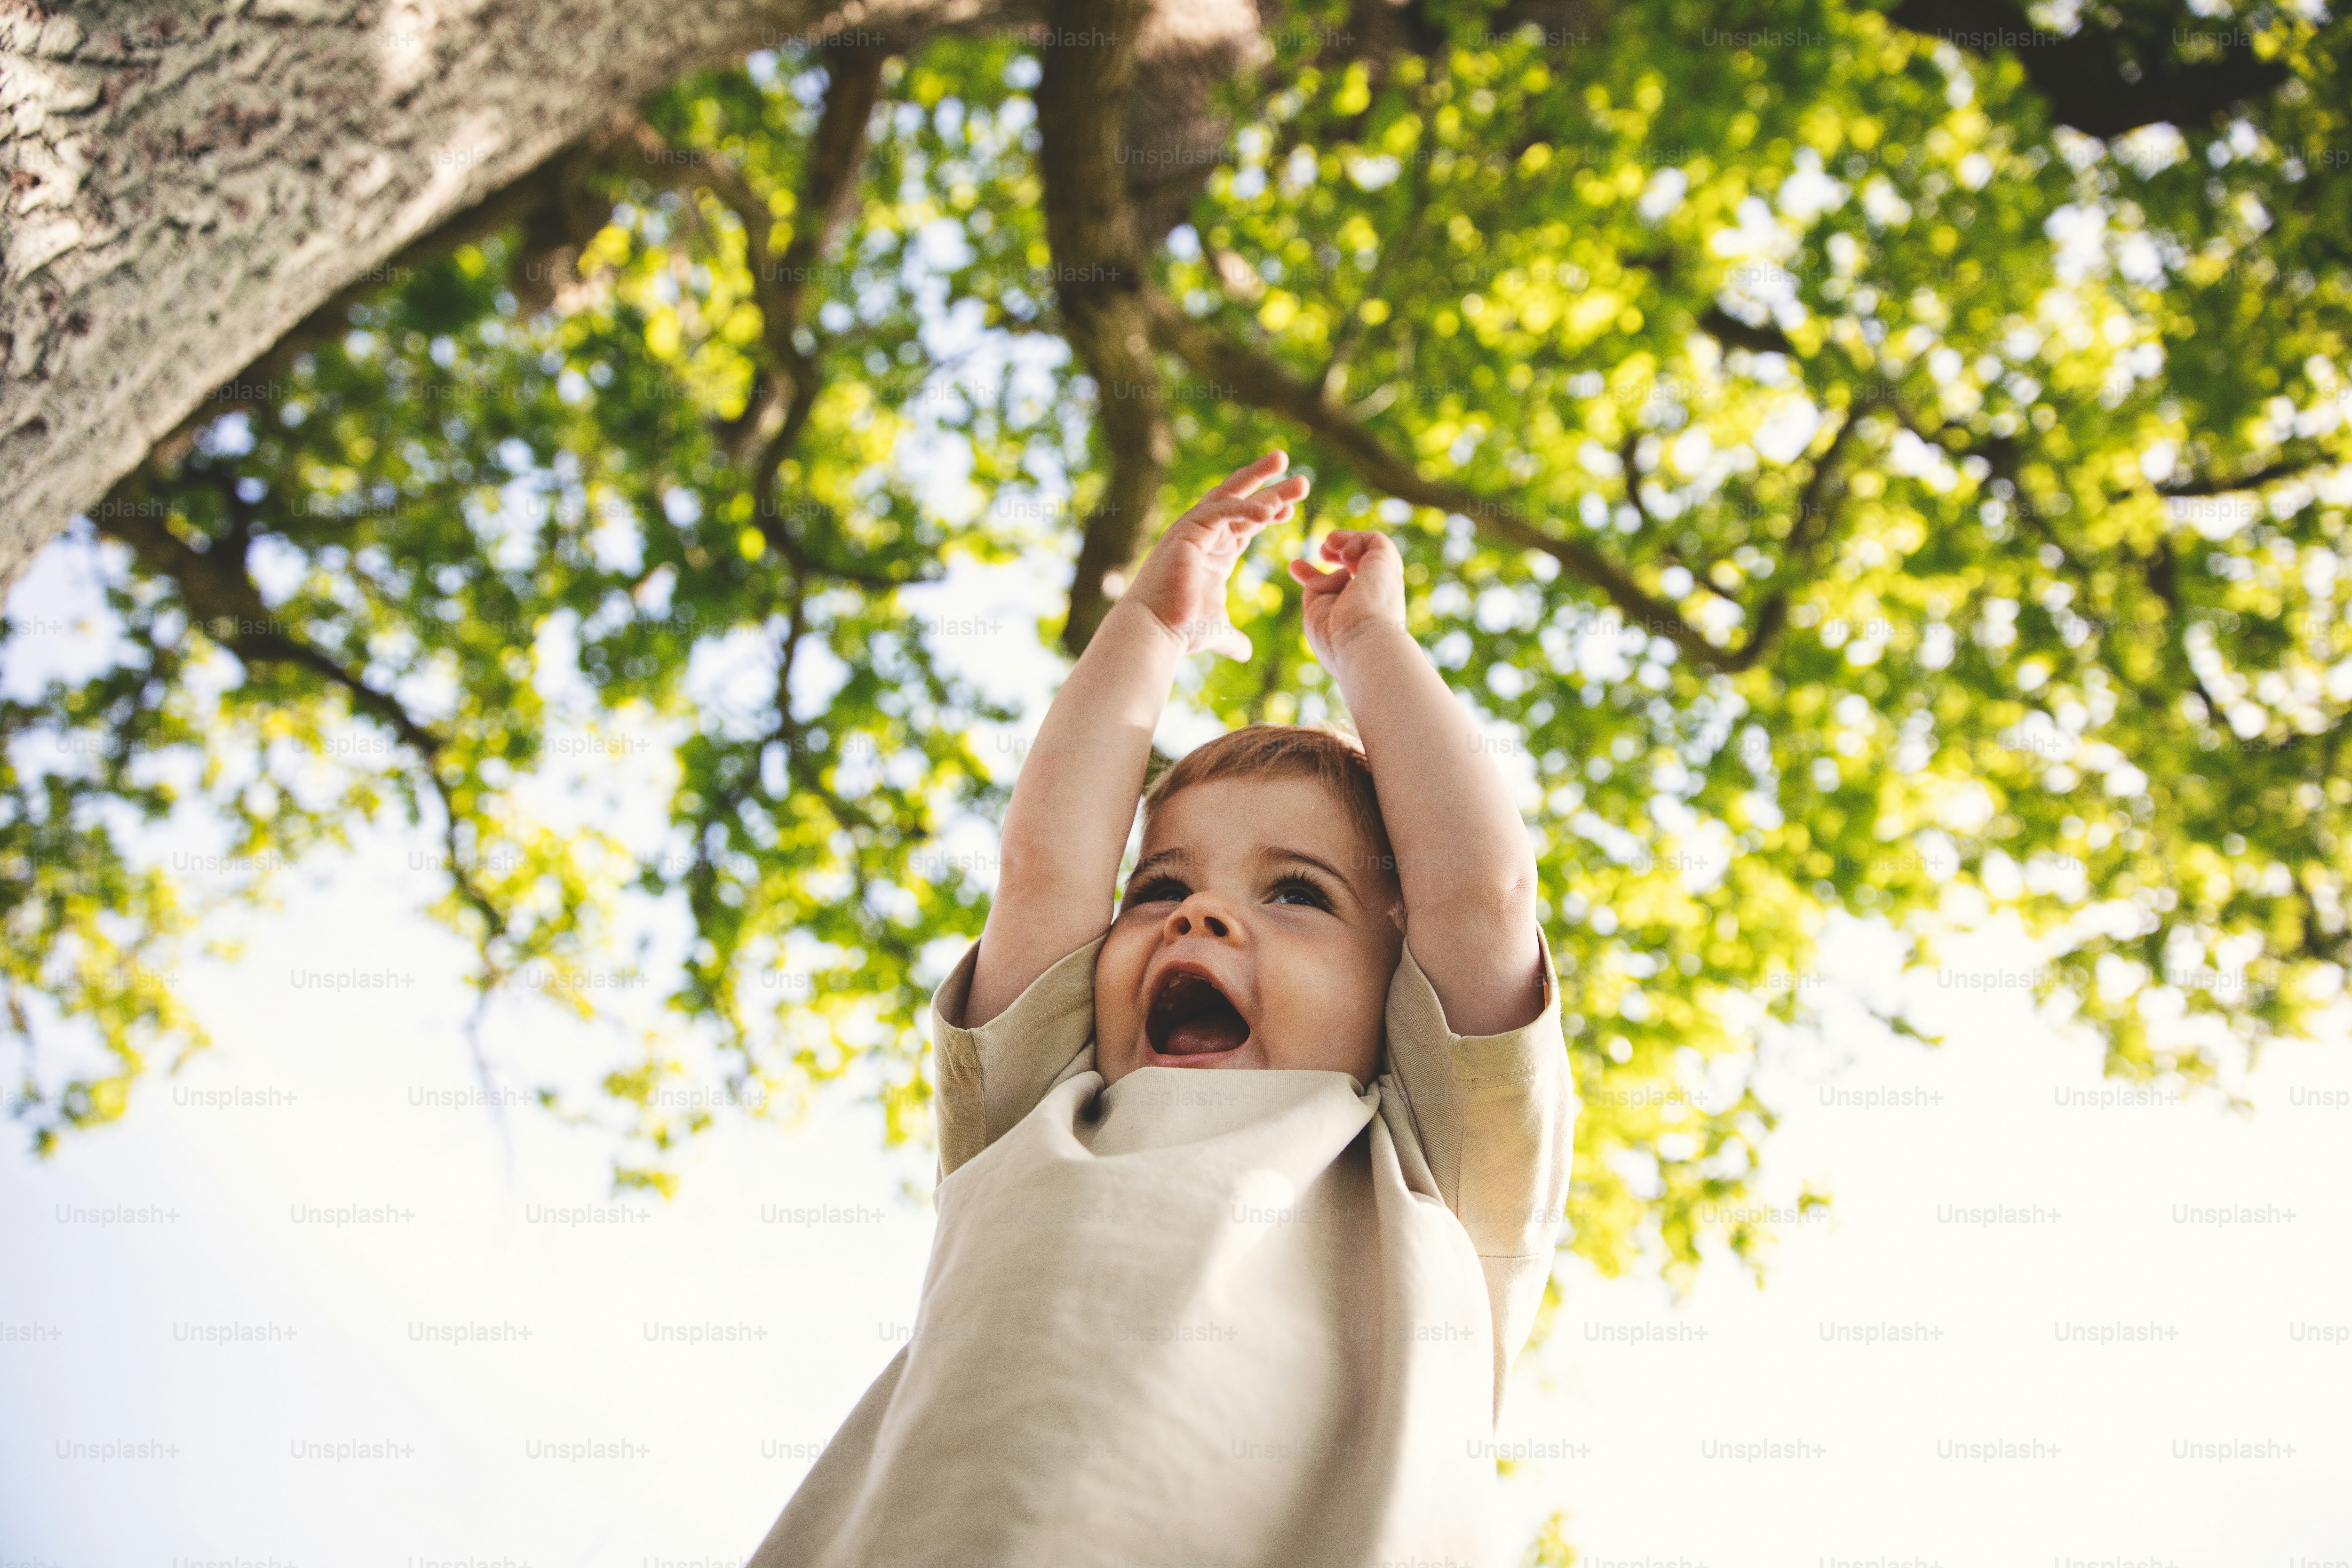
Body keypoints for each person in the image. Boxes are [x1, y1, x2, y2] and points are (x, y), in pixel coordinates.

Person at [749, 452, 1578, 1568]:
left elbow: (1478, 892)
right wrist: (1149, 621)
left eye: (1297, 893)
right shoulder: (1043, 1106)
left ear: (1398, 989)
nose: (1202, 919)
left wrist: (1369, 645)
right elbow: (1046, 867)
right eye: (1161, 887)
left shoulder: (1429, 1154)